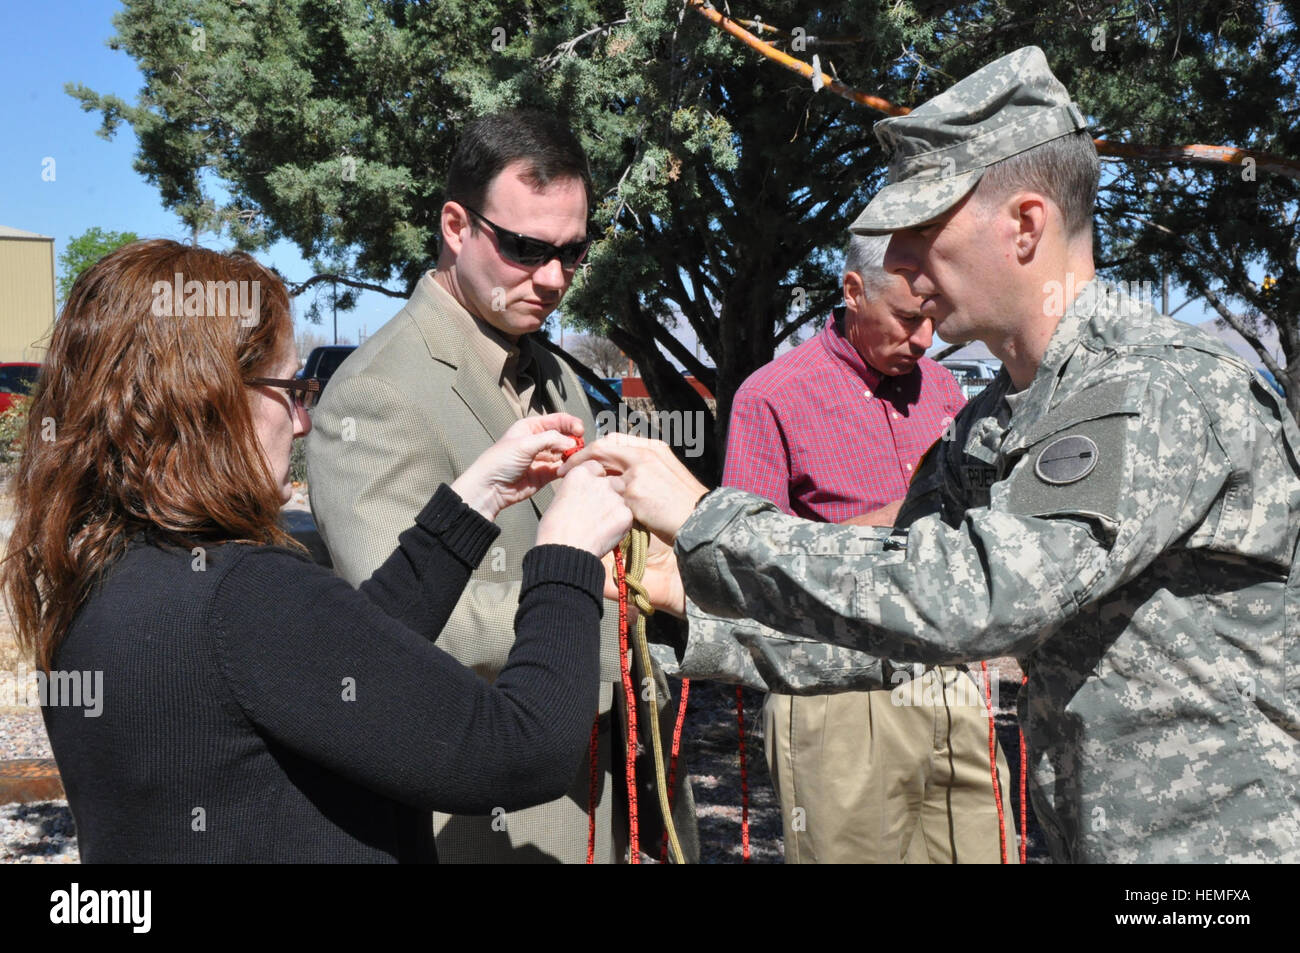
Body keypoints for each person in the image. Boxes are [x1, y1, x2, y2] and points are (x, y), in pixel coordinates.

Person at [567, 46, 1300, 863]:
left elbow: (966, 600)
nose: (903, 265)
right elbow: (889, 619)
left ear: (1026, 224)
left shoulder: (1155, 389)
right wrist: (687, 599)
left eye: (925, 230)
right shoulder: (995, 419)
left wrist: (708, 521)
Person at [0, 239, 632, 863]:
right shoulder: (245, 594)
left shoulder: (107, 573)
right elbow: (524, 751)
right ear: (207, 401)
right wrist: (567, 558)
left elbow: (345, 663)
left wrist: (474, 500)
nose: (302, 421)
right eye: (290, 388)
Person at [307, 109, 696, 863]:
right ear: (456, 225)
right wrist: (616, 596)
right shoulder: (374, 394)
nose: (552, 279)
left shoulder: (550, 372)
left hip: (612, 794)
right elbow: (403, 628)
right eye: (524, 248)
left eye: (572, 253)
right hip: (490, 820)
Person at [725, 232, 1013, 863]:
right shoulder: (770, 395)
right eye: (908, 320)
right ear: (853, 292)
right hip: (835, 695)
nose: (923, 340)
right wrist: (899, 524)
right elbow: (743, 566)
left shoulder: (945, 392)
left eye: (933, 320)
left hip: (951, 677)